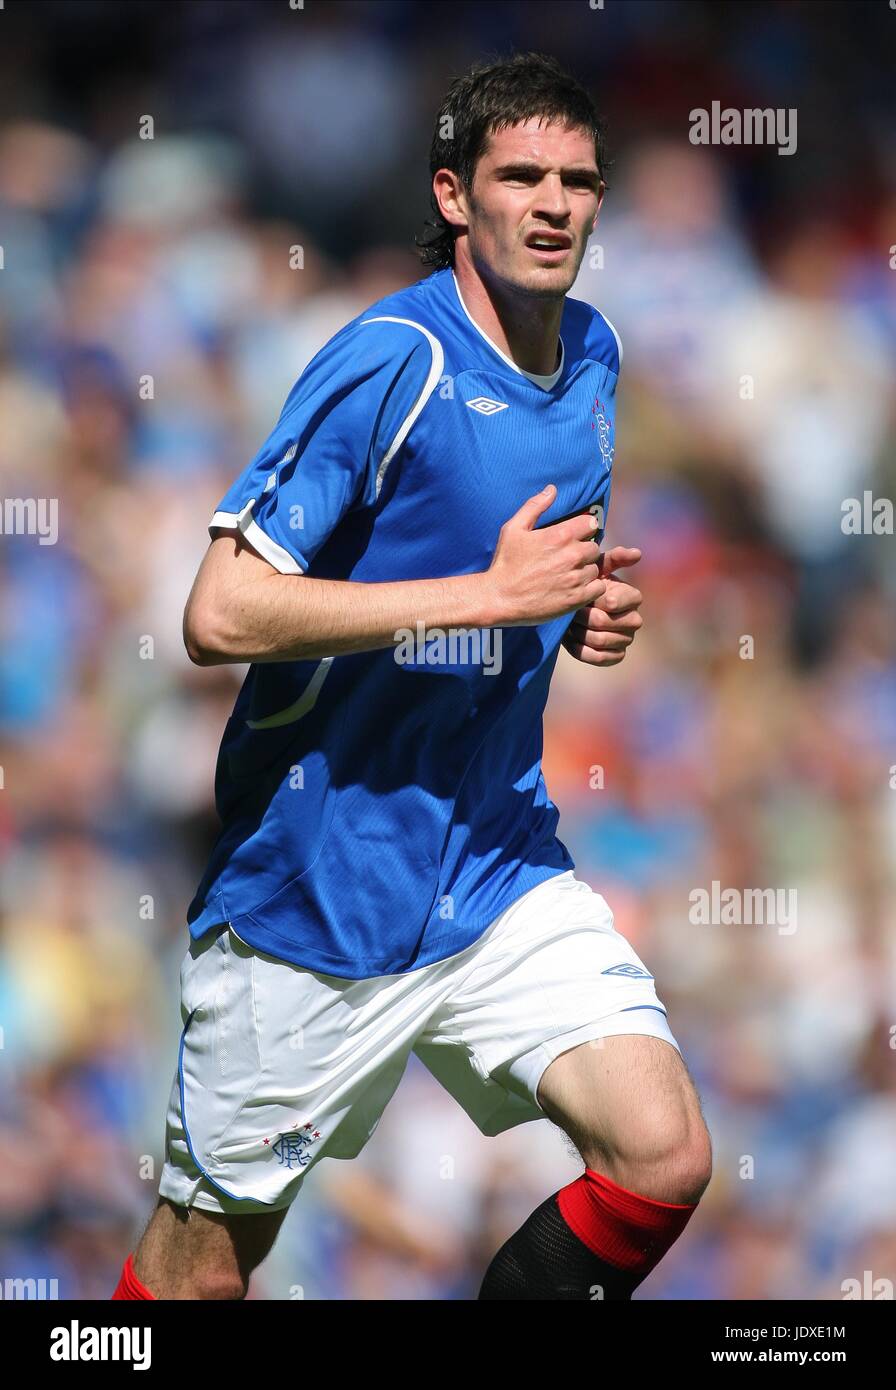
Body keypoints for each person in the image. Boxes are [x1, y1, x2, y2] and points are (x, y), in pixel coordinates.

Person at [113, 51, 711, 1302]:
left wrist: (582, 613)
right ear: (454, 194)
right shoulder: (391, 361)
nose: (552, 205)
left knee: (660, 1157)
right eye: (519, 178)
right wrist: (487, 599)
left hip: (494, 864)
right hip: (316, 896)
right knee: (197, 1277)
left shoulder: (594, 353)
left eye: (578, 181)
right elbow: (217, 611)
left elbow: (529, 572)